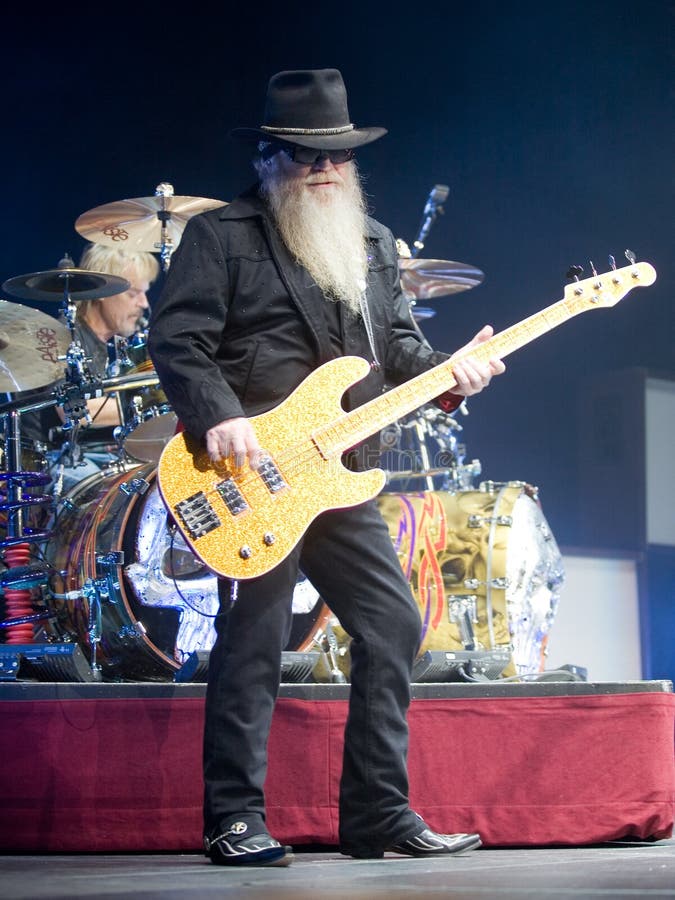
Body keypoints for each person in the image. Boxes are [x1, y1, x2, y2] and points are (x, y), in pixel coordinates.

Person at [148, 68, 506, 868]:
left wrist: (452, 373)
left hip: (339, 474)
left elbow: (399, 350)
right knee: (256, 638)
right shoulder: (222, 235)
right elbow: (177, 342)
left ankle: (377, 813)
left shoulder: (373, 245)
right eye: (306, 155)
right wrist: (222, 417)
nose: (323, 169)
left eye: (337, 157)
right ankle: (233, 817)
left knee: (393, 625)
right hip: (249, 478)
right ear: (270, 157)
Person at [22, 243, 160, 494]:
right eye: (133, 294)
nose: (144, 303)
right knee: (113, 496)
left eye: (145, 293)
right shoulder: (63, 337)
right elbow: (72, 410)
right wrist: (152, 407)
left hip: (106, 456)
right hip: (60, 462)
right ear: (103, 293)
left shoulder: (122, 345)